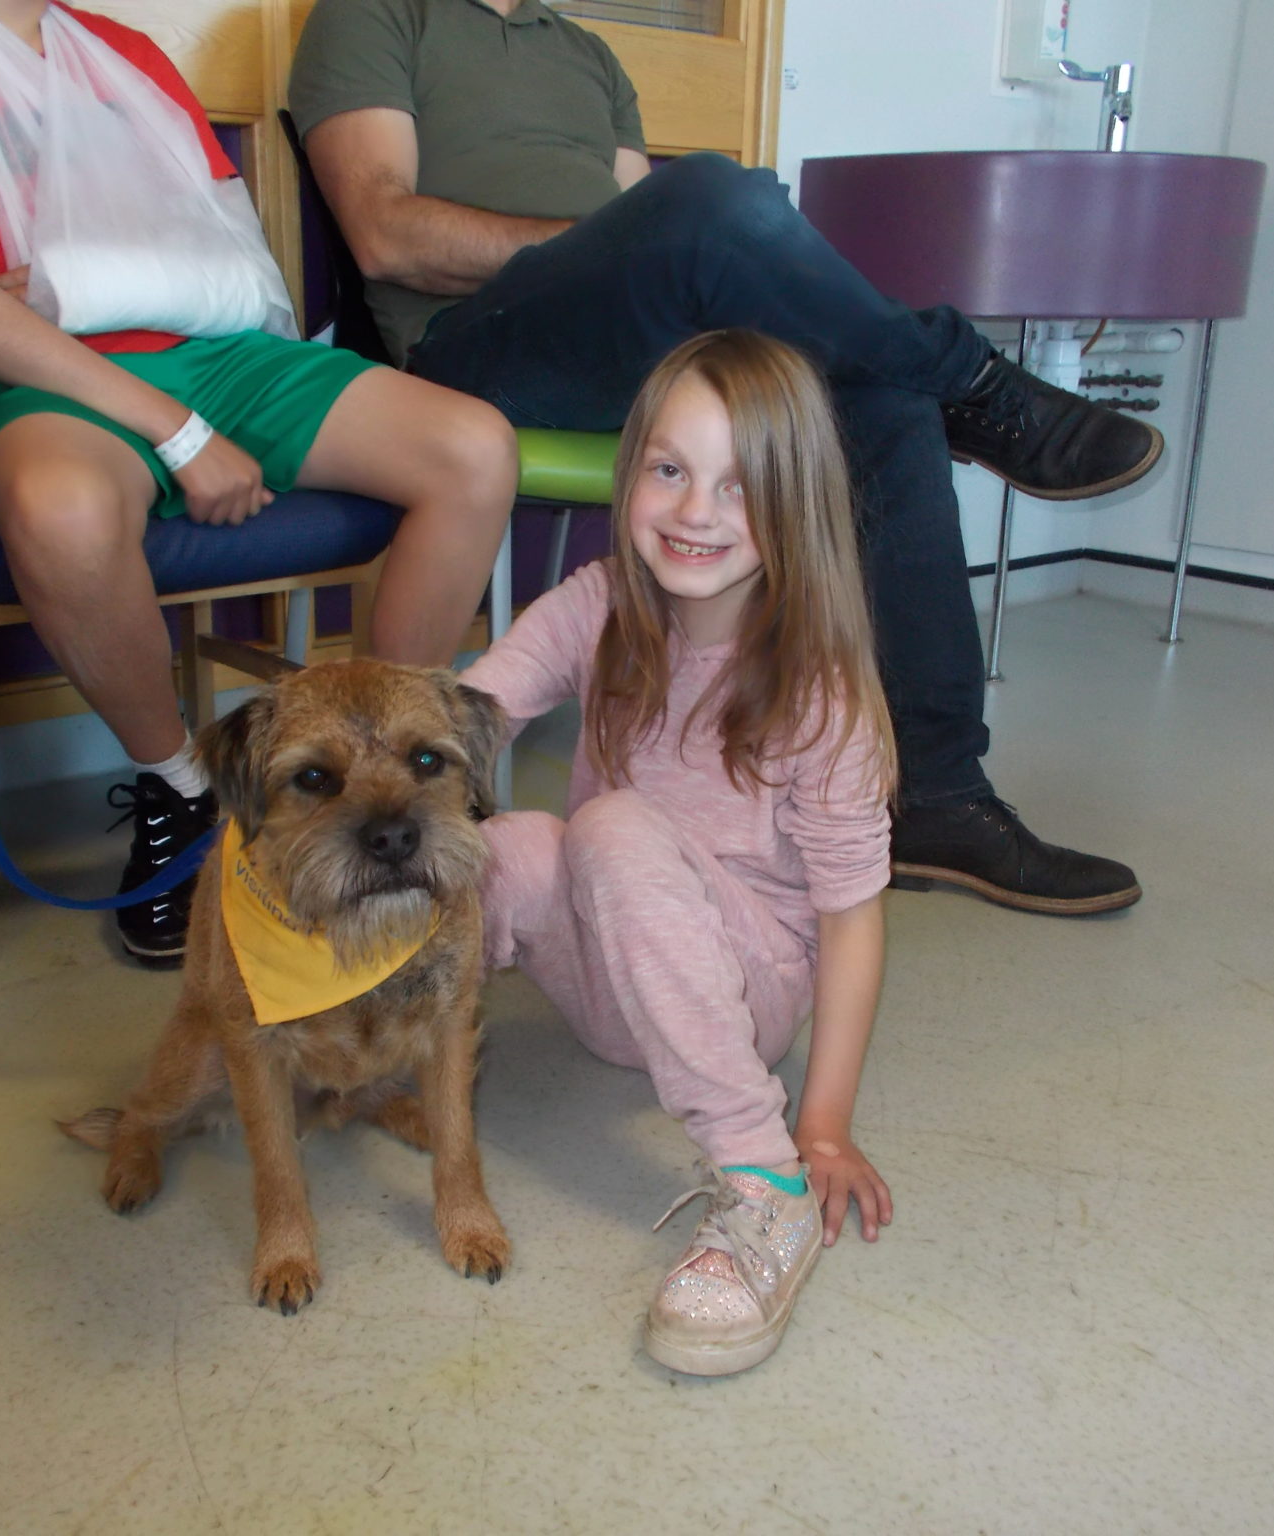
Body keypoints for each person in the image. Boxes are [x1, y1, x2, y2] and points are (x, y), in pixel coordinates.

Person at [290, 0, 1149, 917]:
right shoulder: (374, 14)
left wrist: (650, 246)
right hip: (477, 348)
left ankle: (939, 792)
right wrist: (624, 243)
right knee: (712, 202)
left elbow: (648, 246)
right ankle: (976, 384)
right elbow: (386, 233)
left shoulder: (586, 55)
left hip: (629, 336)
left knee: (873, 392)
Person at [0, 0, 519, 963]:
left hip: (218, 355)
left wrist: (68, 278)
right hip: (25, 372)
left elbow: (228, 265)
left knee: (472, 446)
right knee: (63, 506)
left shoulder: (127, 53)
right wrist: (175, 431)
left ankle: (371, 778)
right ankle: (184, 792)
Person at [462, 330, 895, 1376]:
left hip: (745, 996)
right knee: (495, 848)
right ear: (631, 474)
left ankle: (761, 1182)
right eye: (668, 470)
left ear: (795, 507)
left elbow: (849, 919)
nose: (694, 513)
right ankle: (364, 1034)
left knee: (603, 824)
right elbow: (465, 717)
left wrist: (822, 1125)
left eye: (738, 488)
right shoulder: (598, 602)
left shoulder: (817, 687)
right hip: (617, 979)